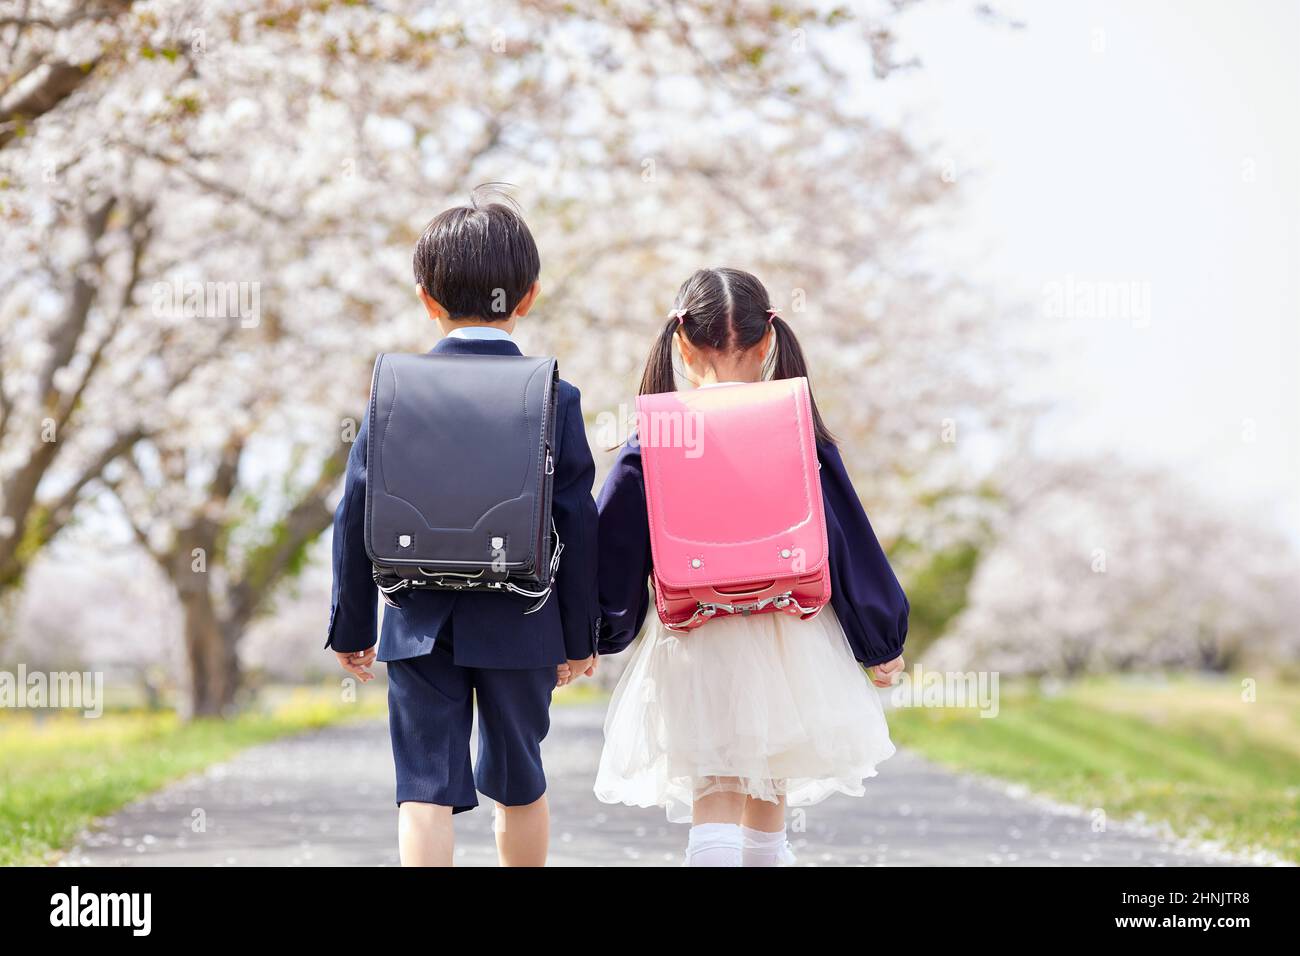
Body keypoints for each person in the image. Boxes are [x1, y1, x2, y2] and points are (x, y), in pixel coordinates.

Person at [594, 267, 907, 867]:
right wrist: (879, 637)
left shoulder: (657, 435)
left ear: (681, 342)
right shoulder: (796, 428)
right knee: (770, 799)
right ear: (768, 341)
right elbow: (843, 537)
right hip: (790, 635)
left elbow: (616, 547)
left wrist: (596, 632)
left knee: (714, 795)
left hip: (696, 635)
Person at [326, 188, 600, 867]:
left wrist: (352, 626)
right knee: (519, 780)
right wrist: (578, 635)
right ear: (529, 296)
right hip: (524, 620)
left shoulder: (394, 389)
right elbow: (577, 518)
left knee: (424, 787)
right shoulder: (553, 396)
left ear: (426, 297)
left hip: (420, 622)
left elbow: (357, 507)